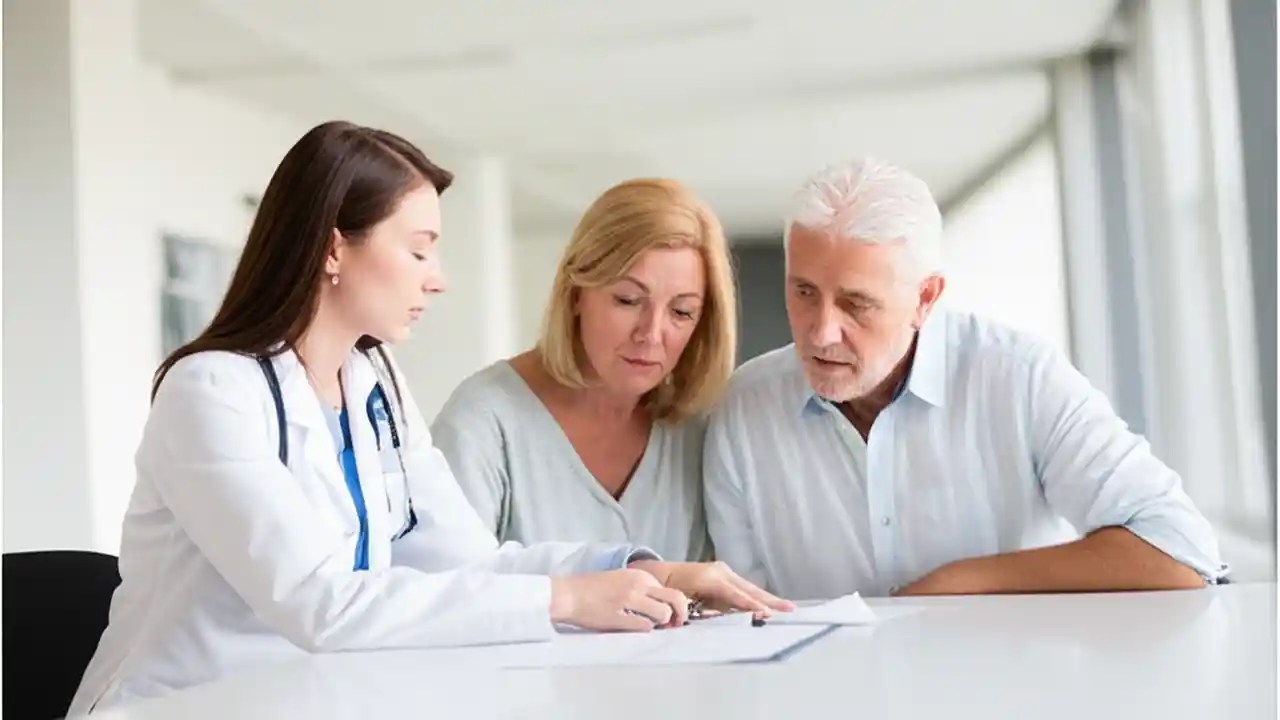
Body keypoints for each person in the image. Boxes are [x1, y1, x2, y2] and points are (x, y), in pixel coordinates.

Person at [70, 122, 790, 715]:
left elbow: (474, 561)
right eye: (418, 249)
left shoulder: (374, 383)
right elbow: (322, 604)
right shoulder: (213, 392)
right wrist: (566, 599)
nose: (437, 276)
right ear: (333, 248)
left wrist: (640, 572)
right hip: (184, 704)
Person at [703, 158, 1226, 601]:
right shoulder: (742, 414)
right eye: (803, 292)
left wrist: (959, 583)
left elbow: (1180, 550)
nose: (821, 332)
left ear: (925, 298)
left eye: (855, 303)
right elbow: (749, 619)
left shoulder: (1019, 380)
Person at [431, 179, 734, 562]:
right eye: (628, 300)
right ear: (576, 294)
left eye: (681, 312)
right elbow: (446, 594)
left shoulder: (699, 430)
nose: (651, 334)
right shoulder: (483, 421)